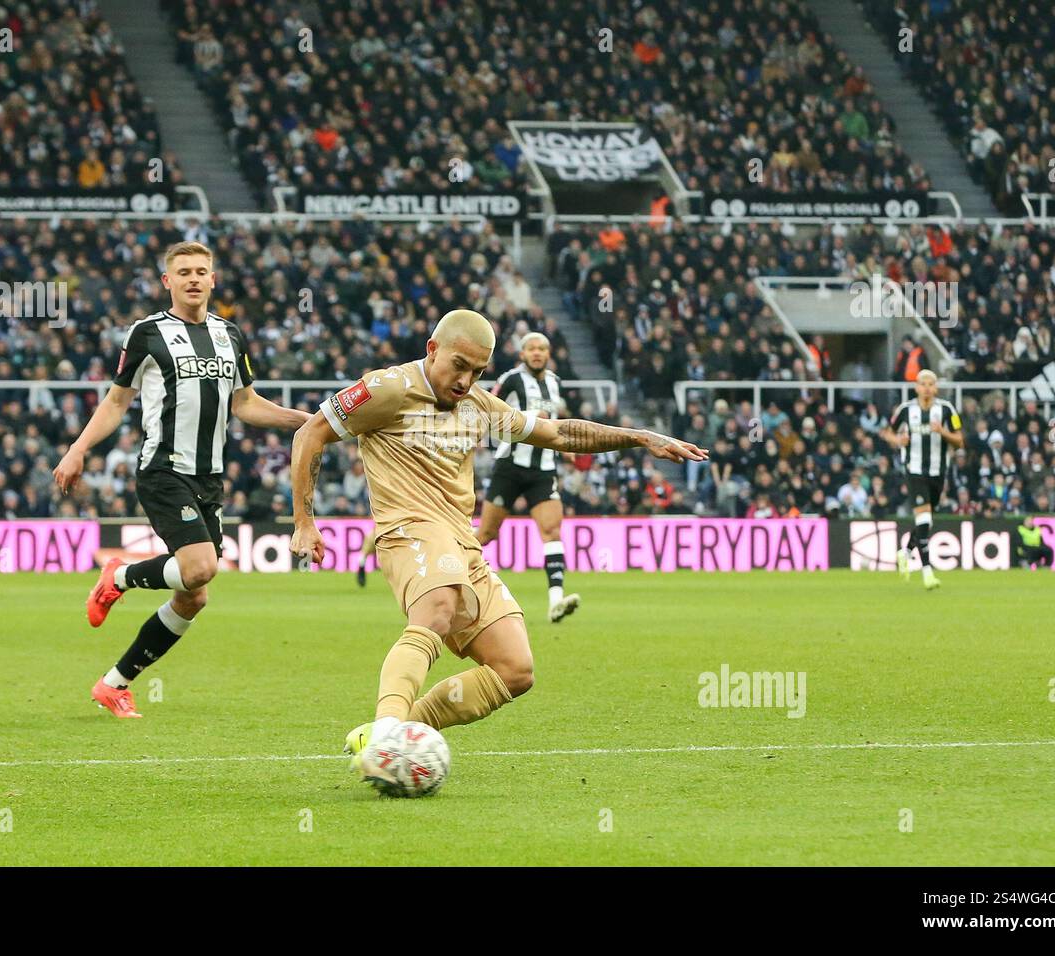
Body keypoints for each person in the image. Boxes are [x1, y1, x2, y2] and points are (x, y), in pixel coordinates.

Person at [287, 309, 707, 794]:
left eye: (478, 372)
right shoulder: (388, 388)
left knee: (515, 669)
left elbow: (558, 433)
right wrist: (304, 521)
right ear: (432, 349)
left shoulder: (480, 407)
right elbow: (310, 432)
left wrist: (638, 437)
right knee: (437, 608)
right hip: (410, 529)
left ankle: (391, 732)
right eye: (458, 365)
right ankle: (388, 731)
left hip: (462, 541)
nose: (466, 380)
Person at [53, 241, 309, 718]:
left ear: (213, 280)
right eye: (184, 272)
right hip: (164, 469)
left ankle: (114, 683)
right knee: (199, 568)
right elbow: (115, 402)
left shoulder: (229, 335)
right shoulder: (147, 334)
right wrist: (78, 449)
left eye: (202, 271)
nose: (194, 278)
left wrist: (304, 420)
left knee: (194, 596)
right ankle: (120, 575)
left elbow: (247, 403)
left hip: (210, 478)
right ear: (167, 282)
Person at [476, 332, 579, 622]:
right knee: (485, 534)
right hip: (509, 466)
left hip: (544, 469)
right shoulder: (511, 379)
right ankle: (448, 569)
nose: (537, 353)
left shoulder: (555, 383)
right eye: (531, 348)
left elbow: (557, 422)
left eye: (542, 348)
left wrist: (567, 448)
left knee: (552, 531)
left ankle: (555, 602)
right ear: (522, 354)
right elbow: (486, 410)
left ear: (549, 353)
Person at [881, 370, 963, 590]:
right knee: (924, 519)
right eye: (922, 384)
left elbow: (960, 441)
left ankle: (905, 552)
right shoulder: (906, 410)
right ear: (916, 387)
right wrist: (898, 440)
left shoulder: (947, 410)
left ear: (936, 388)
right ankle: (927, 572)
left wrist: (943, 432)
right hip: (914, 470)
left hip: (938, 472)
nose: (927, 388)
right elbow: (887, 433)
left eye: (930, 384)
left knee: (925, 522)